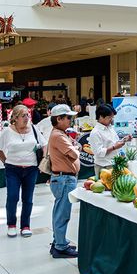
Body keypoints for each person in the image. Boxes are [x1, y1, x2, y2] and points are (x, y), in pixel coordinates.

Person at [0, 105, 47, 238]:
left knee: (27, 199)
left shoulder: (34, 128)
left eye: (27, 115)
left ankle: (25, 226)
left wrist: (44, 159)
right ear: (15, 118)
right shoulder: (7, 131)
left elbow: (44, 144)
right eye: (23, 115)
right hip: (13, 169)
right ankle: (11, 224)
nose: (26, 118)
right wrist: (5, 162)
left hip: (31, 169)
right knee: (12, 197)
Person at [46, 104, 80, 259]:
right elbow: (73, 154)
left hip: (63, 178)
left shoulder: (60, 133)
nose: (70, 120)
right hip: (64, 179)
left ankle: (59, 241)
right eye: (68, 118)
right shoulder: (59, 136)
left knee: (59, 212)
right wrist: (76, 147)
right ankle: (60, 246)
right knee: (62, 213)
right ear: (58, 119)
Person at [87, 104, 131, 177]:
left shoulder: (110, 128)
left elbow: (114, 142)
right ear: (101, 117)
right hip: (104, 166)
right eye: (109, 117)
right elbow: (99, 152)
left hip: (115, 163)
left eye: (112, 117)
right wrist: (114, 147)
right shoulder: (96, 132)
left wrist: (124, 140)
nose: (111, 119)